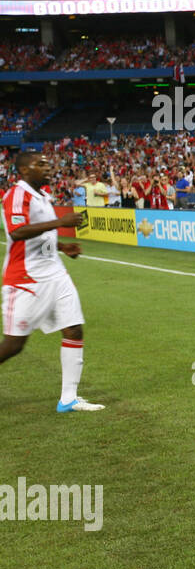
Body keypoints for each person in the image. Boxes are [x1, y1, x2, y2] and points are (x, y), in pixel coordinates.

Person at [0, 152, 103, 412]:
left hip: (55, 273)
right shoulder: (16, 195)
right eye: (41, 164)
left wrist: (62, 246)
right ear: (24, 170)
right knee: (14, 345)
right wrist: (61, 222)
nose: (48, 167)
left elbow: (42, 234)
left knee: (74, 328)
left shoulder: (44, 194)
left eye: (48, 163)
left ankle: (68, 398)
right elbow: (17, 231)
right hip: (26, 277)